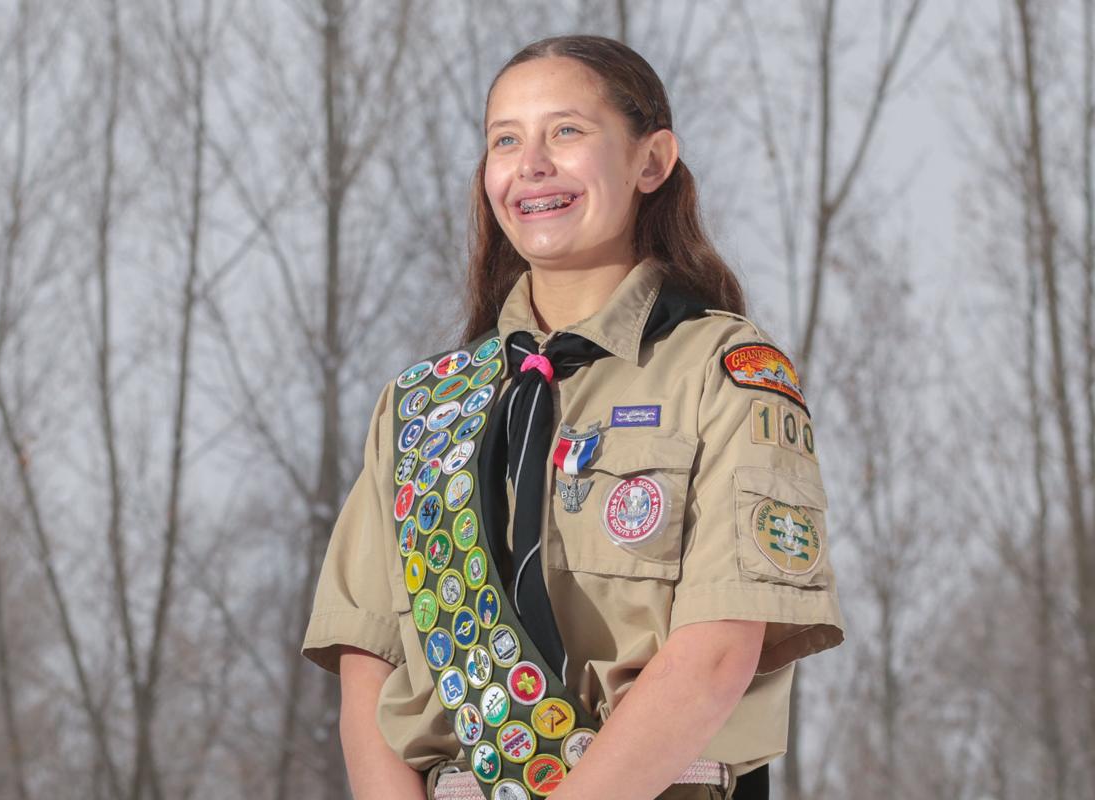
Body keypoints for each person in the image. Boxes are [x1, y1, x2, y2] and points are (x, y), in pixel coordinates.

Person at [302, 34, 844, 800]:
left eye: (566, 131)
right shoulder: (421, 406)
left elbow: (719, 650)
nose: (531, 165)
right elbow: (370, 665)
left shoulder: (724, 374)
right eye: (505, 140)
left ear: (650, 161)